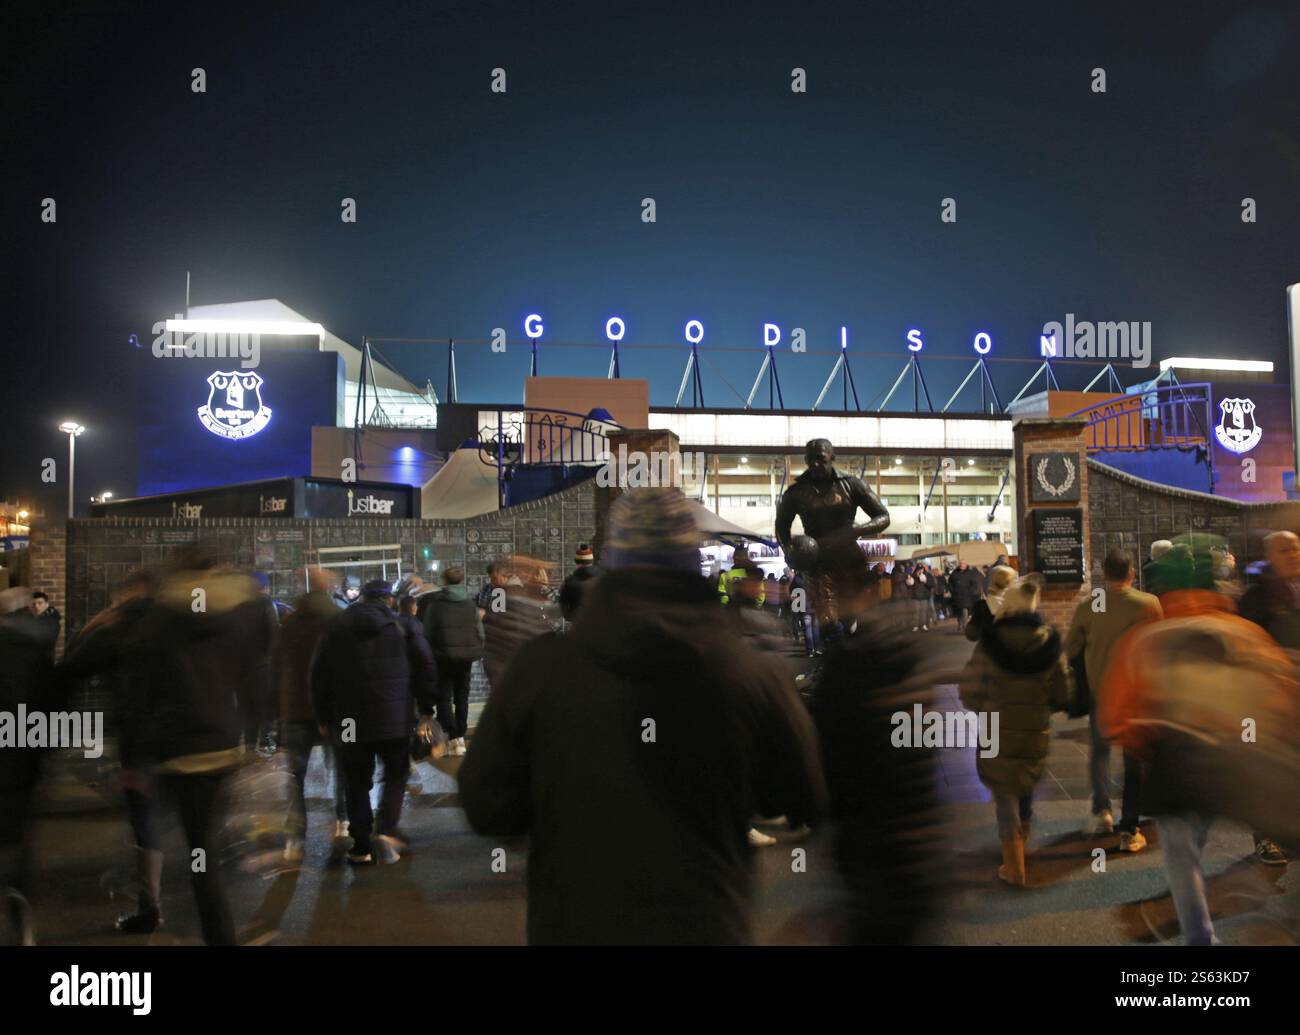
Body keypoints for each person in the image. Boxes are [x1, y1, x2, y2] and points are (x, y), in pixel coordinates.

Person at [459, 487, 827, 944]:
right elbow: (801, 792)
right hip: (704, 923)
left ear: (614, 559)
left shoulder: (542, 667)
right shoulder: (748, 671)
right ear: (691, 560)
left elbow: (488, 804)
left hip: (574, 923)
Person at [1101, 545, 1300, 944]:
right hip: (1241, 759)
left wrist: (1140, 741)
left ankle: (1200, 936)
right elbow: (1280, 694)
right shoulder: (1242, 631)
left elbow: (1116, 715)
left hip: (1176, 767)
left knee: (1182, 851)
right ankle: (1267, 911)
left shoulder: (1145, 639)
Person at [809, 546, 941, 943]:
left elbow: (830, 759)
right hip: (909, 844)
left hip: (869, 845)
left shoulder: (847, 663)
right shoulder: (905, 652)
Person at [311, 579, 447, 865]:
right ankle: (385, 831)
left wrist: (323, 717)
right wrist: (426, 709)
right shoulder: (404, 626)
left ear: (361, 599)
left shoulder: (336, 627)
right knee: (395, 776)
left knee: (356, 782)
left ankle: (360, 845)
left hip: (349, 722)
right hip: (395, 720)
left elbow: (318, 675)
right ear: (388, 600)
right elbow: (426, 667)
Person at [60, 569, 165, 932]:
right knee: (191, 823)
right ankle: (208, 905)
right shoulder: (180, 622)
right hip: (191, 737)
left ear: (128, 595)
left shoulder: (119, 625)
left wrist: (94, 624)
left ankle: (151, 906)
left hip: (140, 739)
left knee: (146, 820)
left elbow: (72, 665)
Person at [958, 575, 1070, 887]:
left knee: (1003, 791)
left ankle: (1013, 863)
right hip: (1035, 728)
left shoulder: (989, 643)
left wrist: (983, 706)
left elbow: (967, 689)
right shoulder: (1049, 643)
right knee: (1024, 783)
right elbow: (1062, 693)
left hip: (995, 727)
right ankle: (1023, 839)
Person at [1064, 549, 1162, 850]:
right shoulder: (1148, 603)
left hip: (1101, 692)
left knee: (1100, 753)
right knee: (1134, 760)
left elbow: (1072, 647)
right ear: (1132, 573)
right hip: (1136, 693)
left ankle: (1102, 810)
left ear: (1104, 574)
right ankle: (1129, 827)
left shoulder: (1094, 603)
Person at [273, 566, 349, 861]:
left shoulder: (289, 622)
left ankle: (296, 838)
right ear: (328, 588)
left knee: (296, 776)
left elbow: (277, 666)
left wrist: (275, 712)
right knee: (341, 767)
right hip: (333, 708)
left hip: (295, 707)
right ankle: (342, 820)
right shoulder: (338, 620)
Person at [1235, 529, 1300, 865]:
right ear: (1270, 556)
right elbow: (1243, 648)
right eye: (1285, 550)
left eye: (1296, 548)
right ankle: (1265, 837)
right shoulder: (1256, 598)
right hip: (1268, 698)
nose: (1293, 554)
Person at [0, 587, 58, 944]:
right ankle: (19, 913)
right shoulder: (38, 650)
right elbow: (53, 703)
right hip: (23, 757)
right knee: (16, 837)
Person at [422, 567, 484, 756]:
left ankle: (449, 736)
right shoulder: (470, 605)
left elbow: (427, 633)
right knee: (462, 696)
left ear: (445, 581)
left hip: (441, 657)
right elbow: (480, 633)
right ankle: (460, 738)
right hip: (465, 659)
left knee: (444, 697)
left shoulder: (435, 605)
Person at [963, 564, 1016, 642]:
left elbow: (971, 634)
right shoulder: (1017, 606)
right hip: (1009, 651)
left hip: (988, 651)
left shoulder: (982, 606)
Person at [558, 544, 603, 622]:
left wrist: (571, 617)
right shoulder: (604, 578)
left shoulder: (570, 582)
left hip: (580, 624)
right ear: (592, 561)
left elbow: (563, 604)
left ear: (577, 563)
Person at [950, 561, 983, 632]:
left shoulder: (970, 573)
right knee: (959, 611)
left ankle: (965, 626)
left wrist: (970, 591)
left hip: (966, 596)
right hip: (957, 595)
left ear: (966, 565)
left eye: (964, 564)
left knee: (964, 610)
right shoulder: (954, 573)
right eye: (961, 564)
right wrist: (953, 591)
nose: (962, 565)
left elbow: (974, 584)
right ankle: (960, 624)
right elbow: (950, 583)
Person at [29, 591, 60, 659]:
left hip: (43, 658)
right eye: (34, 604)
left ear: (46, 604)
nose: (36, 606)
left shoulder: (51, 619)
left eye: (40, 603)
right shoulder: (37, 617)